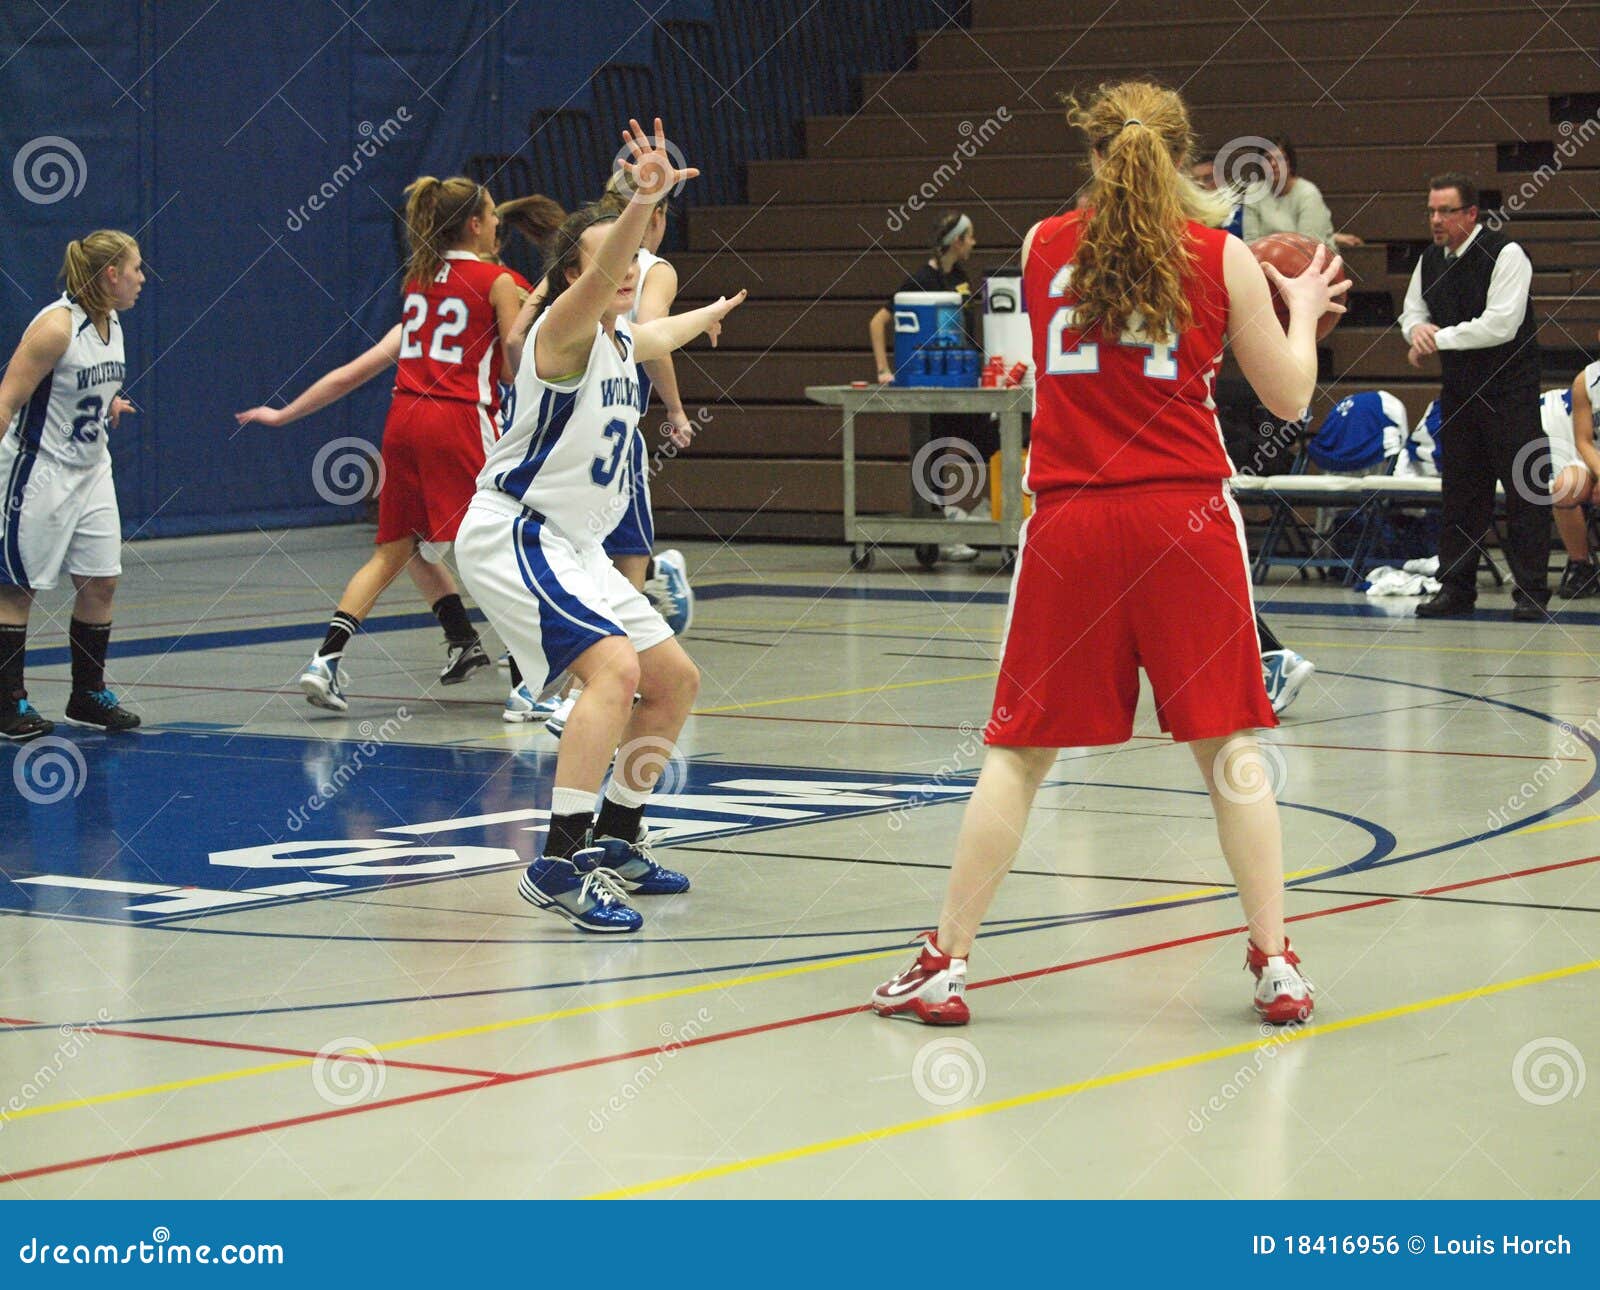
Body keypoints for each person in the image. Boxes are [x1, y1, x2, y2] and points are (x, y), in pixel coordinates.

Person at [871, 80, 1346, 1027]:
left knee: (1017, 754)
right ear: (1184, 157)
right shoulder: (1222, 254)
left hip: (1073, 521)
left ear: (1093, 155)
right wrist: (1299, 308)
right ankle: (1277, 962)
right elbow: (1291, 400)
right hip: (1185, 521)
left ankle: (945, 964)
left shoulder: (1044, 246)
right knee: (1230, 752)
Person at [454, 117, 744, 932]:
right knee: (614, 673)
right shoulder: (563, 333)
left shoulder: (620, 337)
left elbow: (654, 326)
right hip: (516, 529)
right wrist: (640, 198)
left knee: (674, 680)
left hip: (572, 544)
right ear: (576, 278)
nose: (623, 274)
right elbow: (614, 267)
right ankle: (556, 861)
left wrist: (707, 314)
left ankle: (617, 837)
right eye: (606, 266)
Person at [289, 176, 524, 711]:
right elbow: (513, 365)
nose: (496, 225)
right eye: (491, 217)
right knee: (497, 544)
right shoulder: (496, 280)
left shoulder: (417, 280)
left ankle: (325, 663)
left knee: (397, 546)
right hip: (459, 419)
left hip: (403, 417)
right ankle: (523, 682)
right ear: (473, 223)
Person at [540, 171, 697, 739]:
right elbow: (650, 336)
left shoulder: (567, 273)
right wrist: (676, 409)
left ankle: (551, 683)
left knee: (571, 557)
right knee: (621, 560)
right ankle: (584, 687)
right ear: (652, 216)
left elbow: (516, 341)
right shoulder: (651, 268)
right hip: (600, 430)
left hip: (557, 431)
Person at [0, 231, 145, 740]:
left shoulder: (114, 322)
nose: (142, 279)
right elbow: (8, 399)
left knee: (101, 581)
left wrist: (109, 403)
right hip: (40, 470)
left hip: (91, 469)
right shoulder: (56, 327)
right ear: (111, 275)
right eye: (136, 269)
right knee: (17, 587)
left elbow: (84, 384)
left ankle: (87, 695)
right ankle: (7, 700)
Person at [1400, 173, 1550, 621]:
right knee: (1461, 495)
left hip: (1510, 394)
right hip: (1460, 394)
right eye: (1431, 211)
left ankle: (1531, 593)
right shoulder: (1429, 259)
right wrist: (1417, 331)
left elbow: (1500, 324)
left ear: (1471, 214)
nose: (1436, 220)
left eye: (1445, 211)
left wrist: (1436, 339)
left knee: (1525, 492)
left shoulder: (1506, 254)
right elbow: (1412, 312)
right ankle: (1456, 589)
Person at [868, 212, 990, 562]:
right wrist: (882, 369)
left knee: (992, 436)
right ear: (956, 241)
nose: (974, 243)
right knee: (935, 450)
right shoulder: (920, 280)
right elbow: (878, 321)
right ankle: (944, 527)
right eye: (970, 237)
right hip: (931, 384)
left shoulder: (961, 278)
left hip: (961, 381)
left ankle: (983, 510)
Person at [1242, 136, 1363, 250]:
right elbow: (1251, 243)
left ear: (1290, 163)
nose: (1273, 164)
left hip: (1307, 262)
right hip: (1265, 262)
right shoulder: (1254, 191)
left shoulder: (1308, 193)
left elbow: (1307, 247)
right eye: (1267, 159)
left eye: (1279, 158)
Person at [1544, 367, 1600, 597]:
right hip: (1594, 458)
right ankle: (1582, 567)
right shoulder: (1585, 379)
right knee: (1564, 488)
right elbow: (1583, 440)